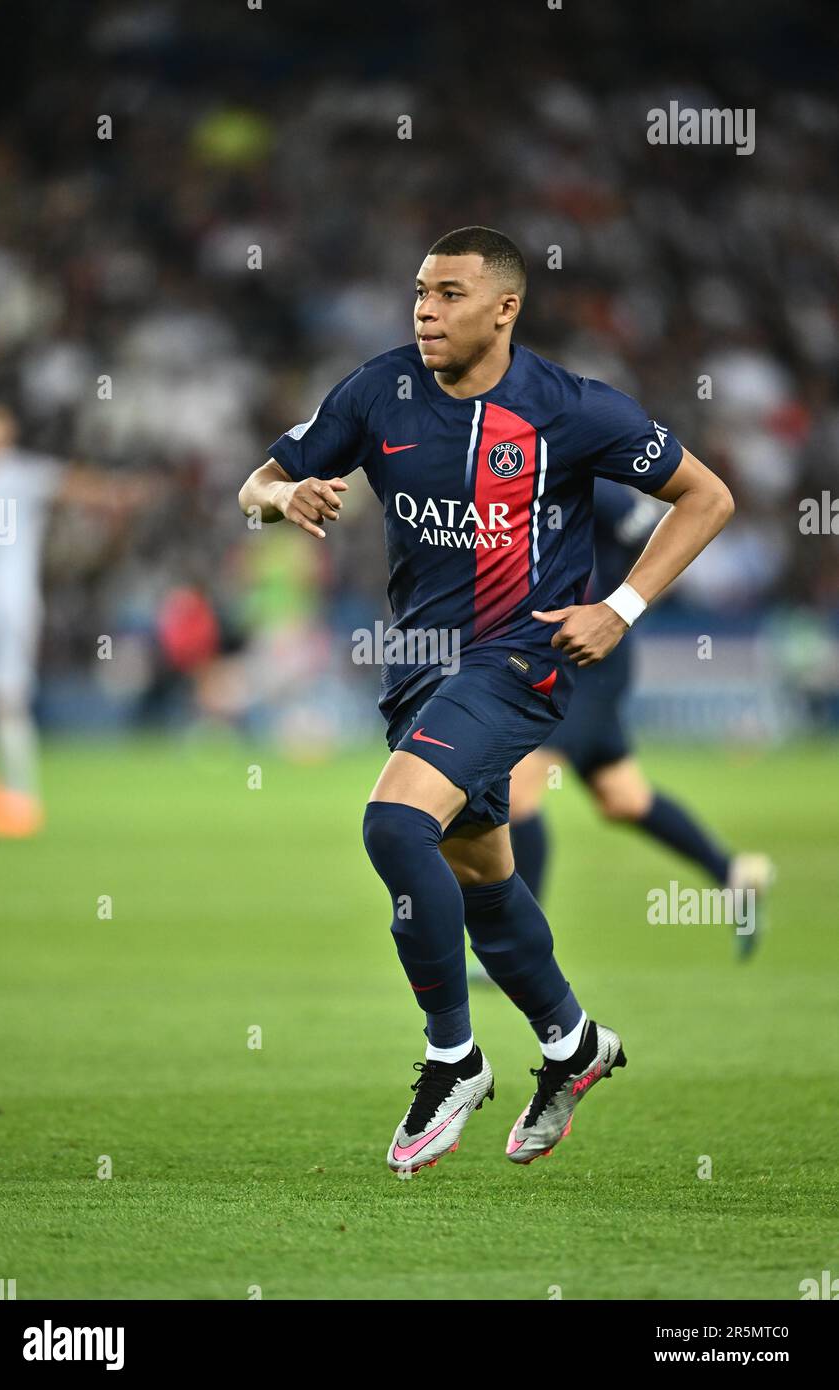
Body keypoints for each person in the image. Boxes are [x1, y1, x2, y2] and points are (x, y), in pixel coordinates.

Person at [238, 226, 735, 1174]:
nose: (426, 309)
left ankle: (452, 1059)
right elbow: (256, 483)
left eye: (451, 293)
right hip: (420, 664)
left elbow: (706, 495)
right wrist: (281, 501)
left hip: (521, 661)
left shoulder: (570, 408)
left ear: (505, 307)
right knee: (484, 880)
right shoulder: (375, 390)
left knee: (394, 825)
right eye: (420, 291)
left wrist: (621, 608)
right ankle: (572, 1043)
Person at [507, 477, 774, 959]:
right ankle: (734, 875)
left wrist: (614, 609)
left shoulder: (594, 487)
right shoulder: (519, 473)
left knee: (518, 789)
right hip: (558, 662)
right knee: (623, 799)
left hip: (589, 663)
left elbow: (661, 537)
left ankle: (520, 949)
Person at [0, 402, 147, 836]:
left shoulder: (21, 473)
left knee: (6, 695)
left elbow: (78, 486)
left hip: (10, 603)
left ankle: (22, 795)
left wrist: (121, 493)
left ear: (6, 430)